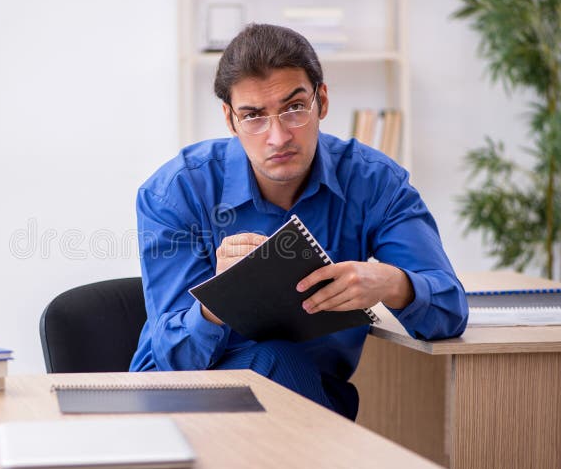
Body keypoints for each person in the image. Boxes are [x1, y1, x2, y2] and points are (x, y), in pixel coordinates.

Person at [129, 23, 468, 419]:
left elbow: (449, 310)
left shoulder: (374, 182)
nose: (278, 137)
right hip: (185, 403)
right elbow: (172, 360)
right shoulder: (174, 192)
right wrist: (221, 301)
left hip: (309, 401)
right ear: (230, 119)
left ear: (321, 101)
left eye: (294, 108)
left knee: (285, 365)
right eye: (253, 116)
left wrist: (392, 284)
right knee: (276, 359)